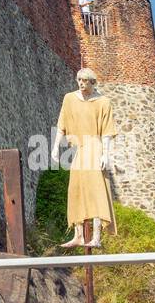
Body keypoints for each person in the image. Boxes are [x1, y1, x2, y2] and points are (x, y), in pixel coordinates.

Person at [50, 68, 118, 248]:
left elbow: (107, 132)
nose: (81, 83)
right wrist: (56, 146)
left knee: (96, 191)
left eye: (85, 80)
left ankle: (96, 237)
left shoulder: (103, 102)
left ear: (92, 82)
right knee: (76, 190)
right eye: (79, 79)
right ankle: (78, 234)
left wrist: (106, 154)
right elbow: (61, 125)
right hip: (79, 150)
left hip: (95, 148)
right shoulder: (69, 99)